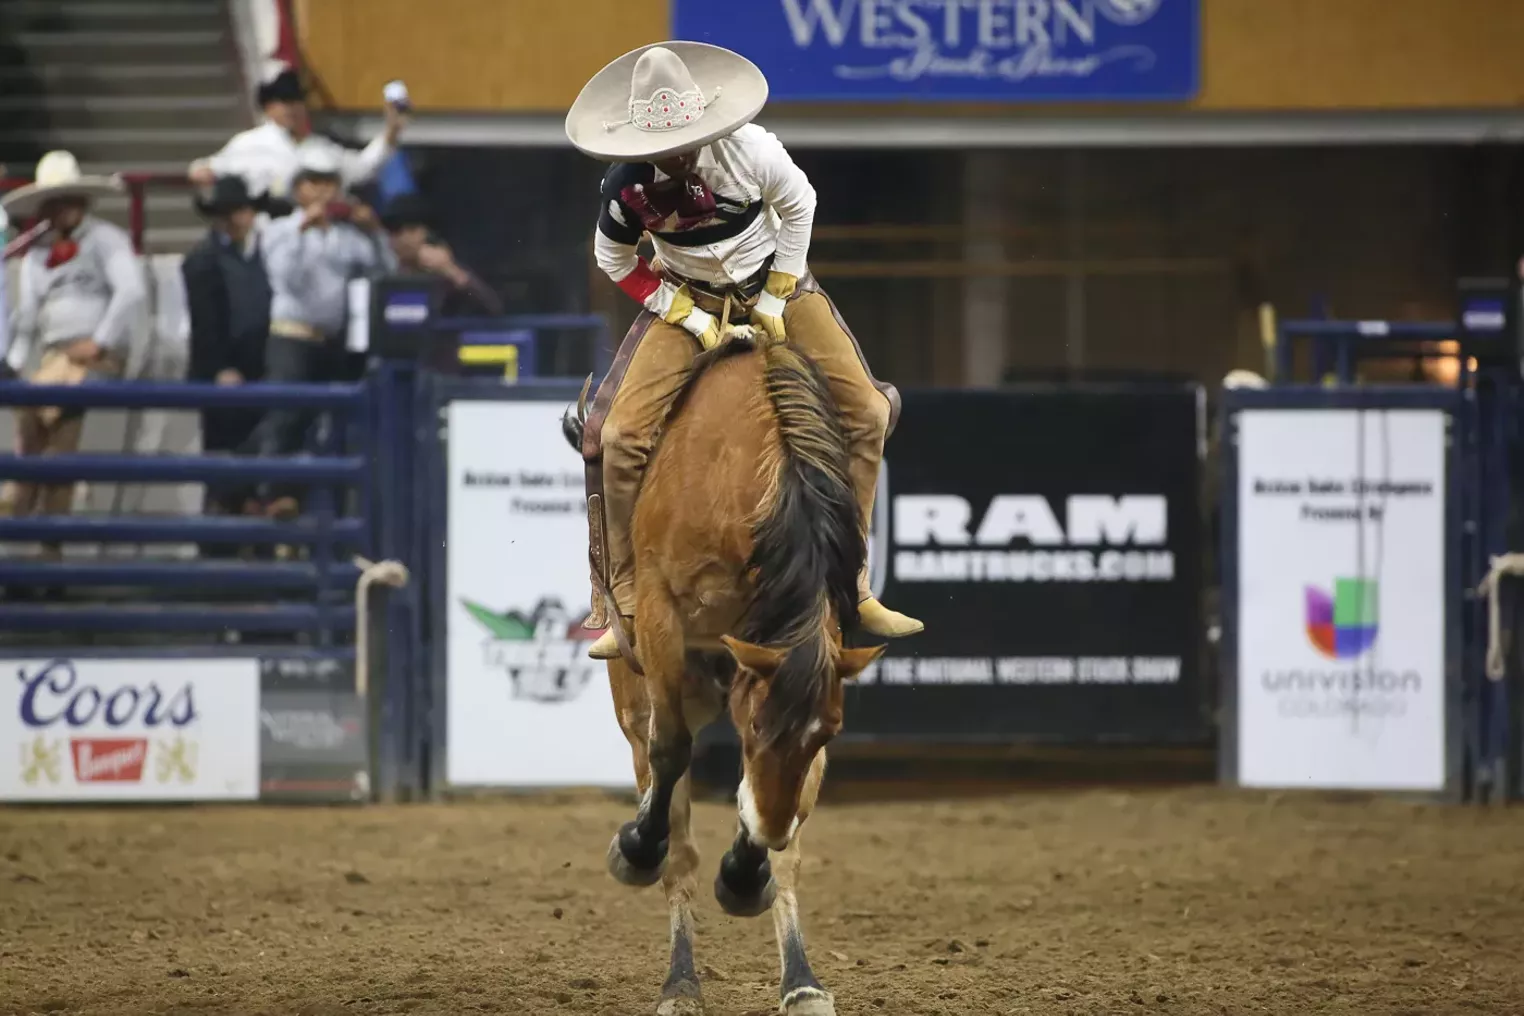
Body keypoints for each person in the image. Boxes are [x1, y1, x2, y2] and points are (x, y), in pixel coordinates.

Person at [565, 42, 921, 660]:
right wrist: (685, 316)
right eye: (657, 150)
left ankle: (853, 585)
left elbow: (800, 205)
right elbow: (611, 258)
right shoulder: (623, 188)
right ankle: (618, 603)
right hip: (685, 299)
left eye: (678, 143)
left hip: (777, 282)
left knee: (867, 412)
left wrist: (780, 291)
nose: (670, 158)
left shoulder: (753, 149)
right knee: (615, 437)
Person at [0, 151, 145, 541]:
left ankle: (25, 513)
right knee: (42, 427)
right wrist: (13, 366)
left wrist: (98, 341)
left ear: (80, 200)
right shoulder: (37, 255)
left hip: (97, 356)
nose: (59, 209)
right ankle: (32, 532)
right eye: (53, 201)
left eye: (65, 200)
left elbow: (131, 290)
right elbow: (27, 317)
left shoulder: (106, 239)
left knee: (51, 431)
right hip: (54, 359)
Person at [250, 147, 388, 517]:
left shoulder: (347, 237)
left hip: (333, 340)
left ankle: (304, 501)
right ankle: (266, 493)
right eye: (314, 182)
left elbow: (382, 274)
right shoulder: (279, 230)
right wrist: (302, 229)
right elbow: (285, 279)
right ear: (298, 189)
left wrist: (375, 231)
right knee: (285, 416)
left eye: (330, 183)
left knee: (326, 424)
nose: (323, 191)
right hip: (291, 335)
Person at [182, 175, 272, 547]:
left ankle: (243, 544)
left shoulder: (256, 255)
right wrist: (219, 367)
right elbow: (207, 324)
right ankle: (219, 548)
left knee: (249, 460)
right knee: (224, 461)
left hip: (256, 370)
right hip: (225, 373)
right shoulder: (202, 261)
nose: (239, 218)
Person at [187, 66, 404, 217]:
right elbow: (207, 168)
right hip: (269, 228)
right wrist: (199, 170)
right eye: (283, 101)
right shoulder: (248, 144)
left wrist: (392, 130)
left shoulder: (322, 149)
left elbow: (363, 167)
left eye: (296, 101)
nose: (291, 108)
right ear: (269, 107)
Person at [379, 193, 502, 317]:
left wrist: (451, 272)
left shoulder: (447, 273)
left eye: (400, 231)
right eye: (391, 233)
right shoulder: (389, 273)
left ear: (423, 232)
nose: (396, 240)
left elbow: (493, 309)